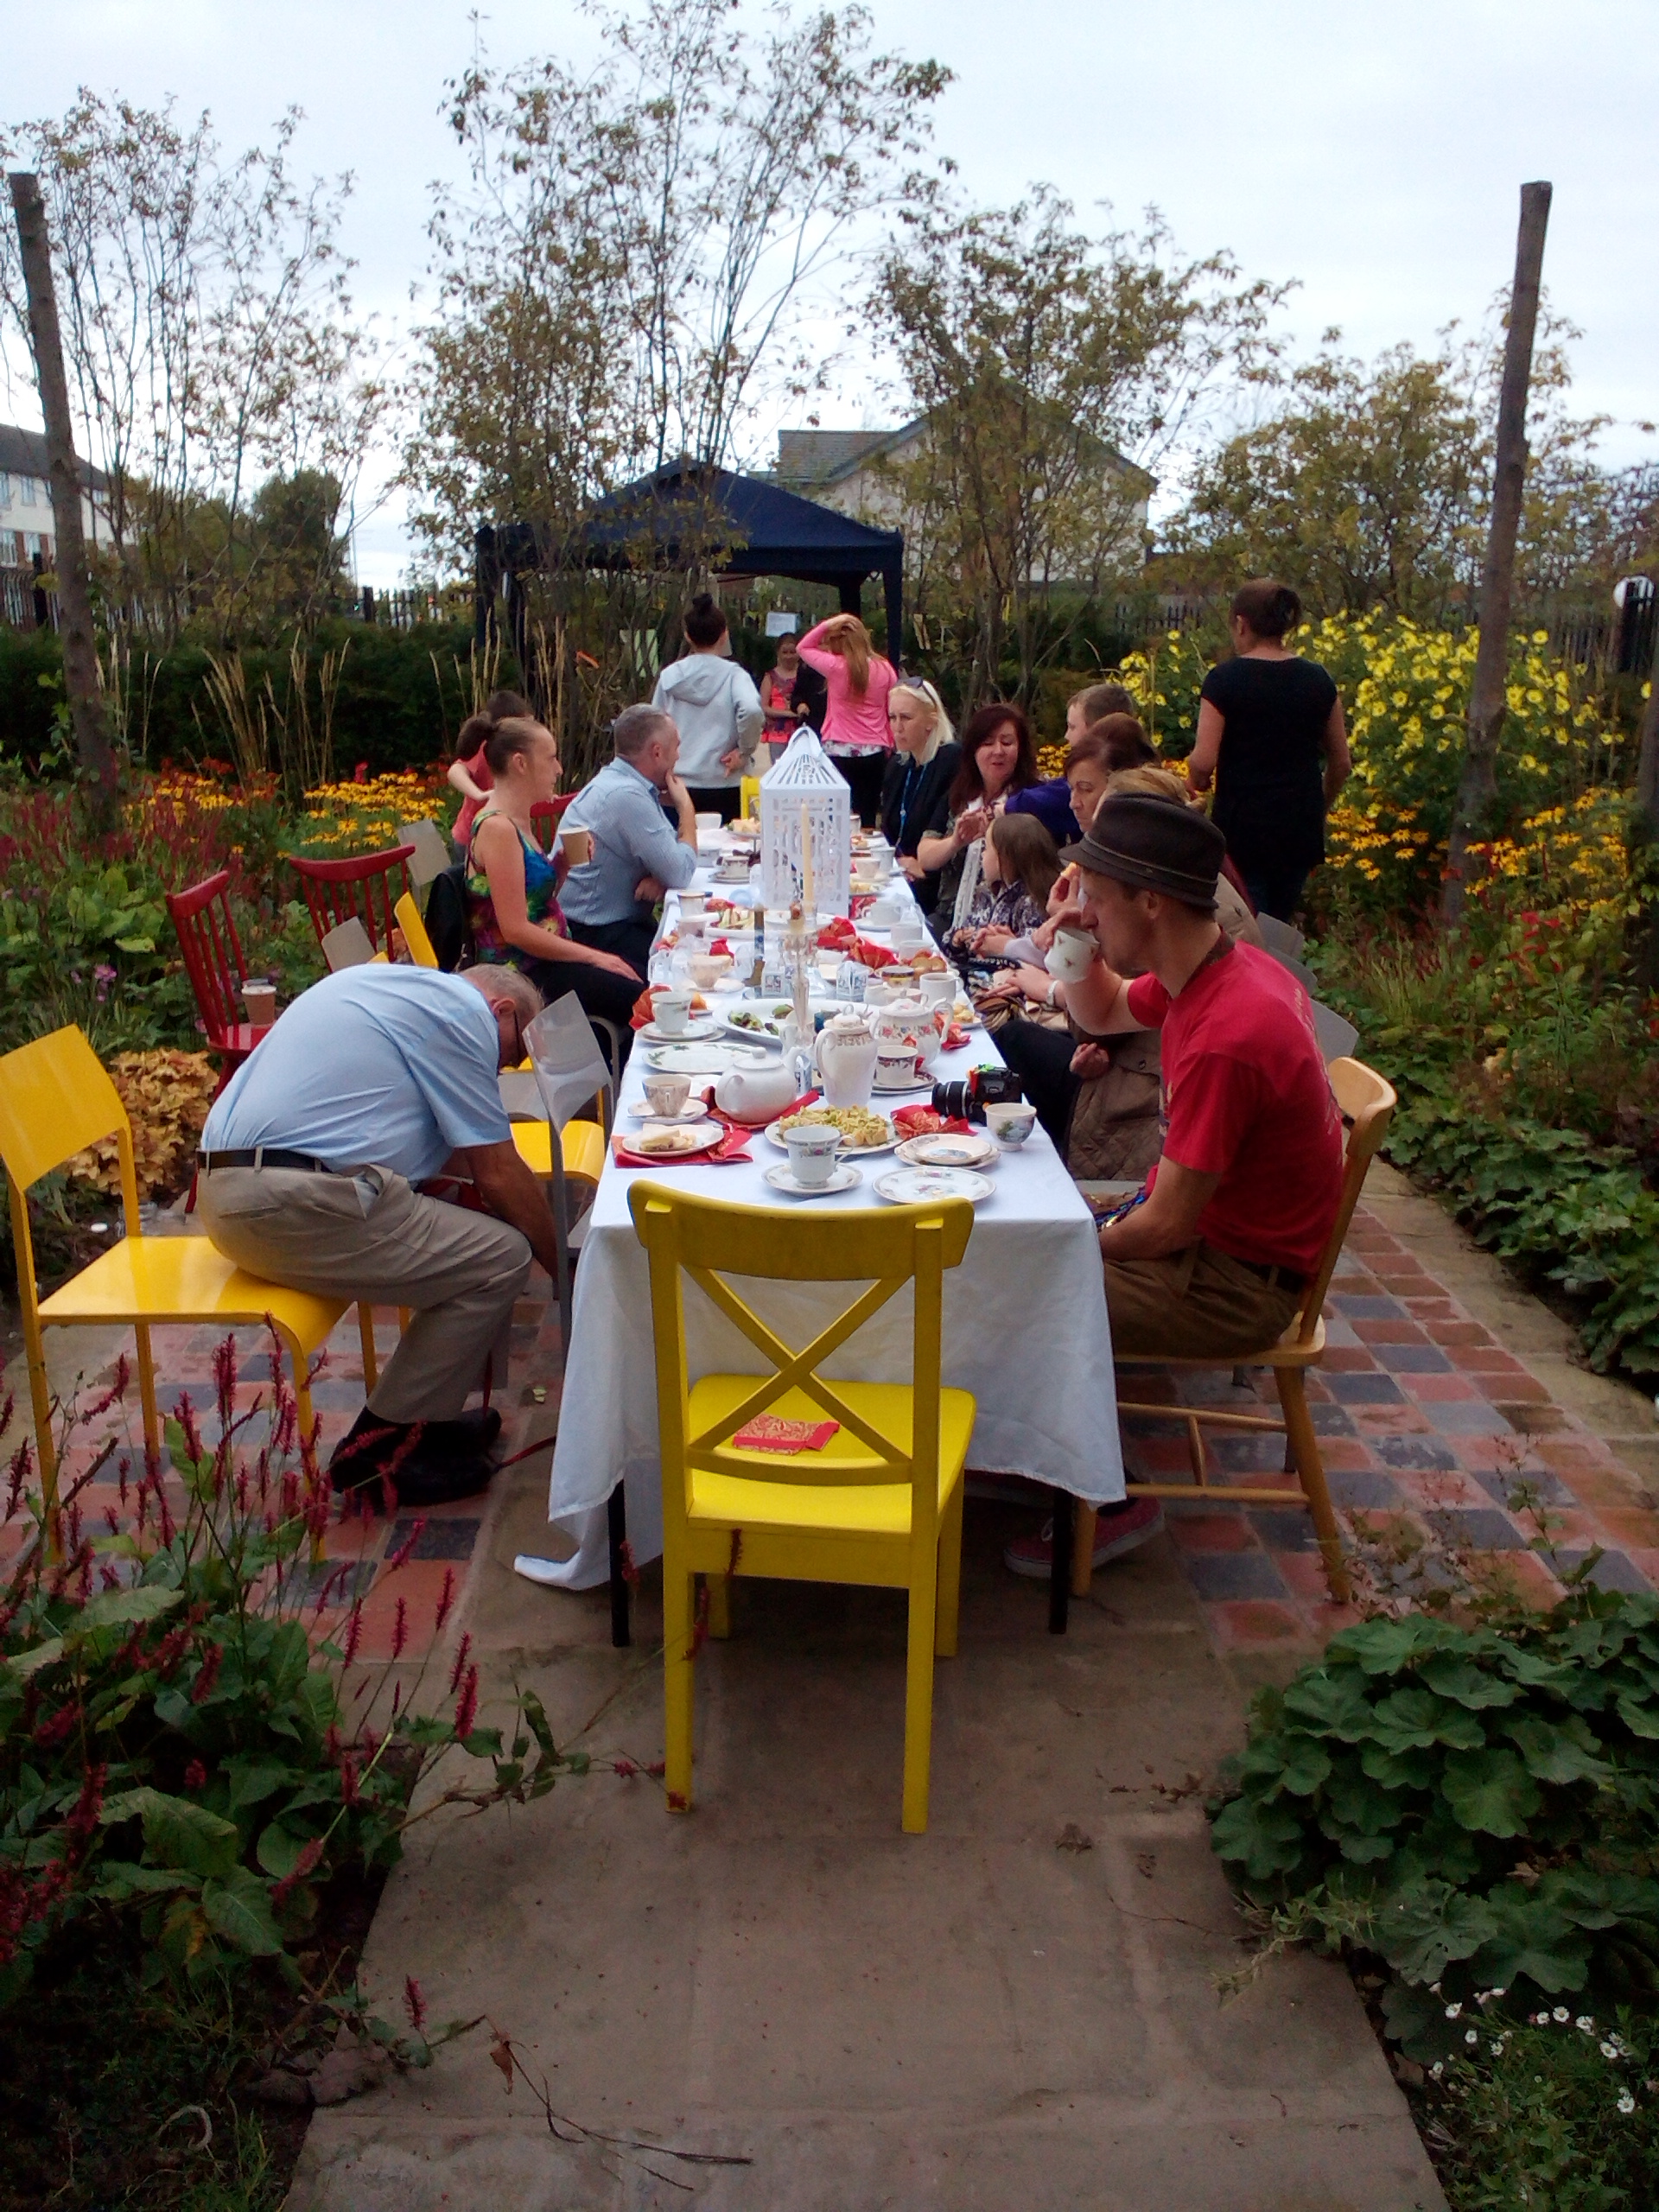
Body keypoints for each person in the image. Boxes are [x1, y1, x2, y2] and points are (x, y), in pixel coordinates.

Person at [1002, 787, 1344, 1580]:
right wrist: (1079, 941)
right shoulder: (1219, 970)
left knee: (1019, 1282)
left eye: (1096, 892)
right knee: (1011, 1223)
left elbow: (1164, 1228)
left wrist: (1071, 1246)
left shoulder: (1229, 1033)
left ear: (1149, 900)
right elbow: (1112, 1006)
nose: (1082, 901)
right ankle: (1028, 1443)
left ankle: (1110, 1500)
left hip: (1234, 1283)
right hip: (1219, 1243)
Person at [195, 961, 557, 1508]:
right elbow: (497, 1170)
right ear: (502, 1011)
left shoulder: (391, 988)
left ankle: (423, 1425)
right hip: (281, 1202)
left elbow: (458, 1155)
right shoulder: (465, 1015)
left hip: (237, 1190)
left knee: (477, 1241)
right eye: (513, 1054)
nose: (505, 1068)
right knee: (501, 1258)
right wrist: (570, 1273)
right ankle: (377, 1452)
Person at [464, 717, 645, 1051]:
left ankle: (612, 1079)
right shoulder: (498, 829)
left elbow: (535, 904)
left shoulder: (519, 820)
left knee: (642, 977)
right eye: (550, 758)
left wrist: (561, 865)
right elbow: (516, 929)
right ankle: (616, 1087)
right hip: (523, 972)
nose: (559, 769)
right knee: (641, 1000)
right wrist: (593, 957)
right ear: (521, 763)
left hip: (547, 958)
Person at [1185, 579, 1350, 922]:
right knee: (1280, 919)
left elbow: (1203, 761)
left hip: (1244, 828)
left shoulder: (1225, 680)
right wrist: (1320, 805)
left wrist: (1194, 780)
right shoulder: (1318, 680)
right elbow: (1341, 763)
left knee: (1247, 922)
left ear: (1242, 624)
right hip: (1299, 825)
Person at [558, 704, 699, 977]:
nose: (679, 757)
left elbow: (672, 860)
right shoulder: (626, 796)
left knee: (691, 952)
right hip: (595, 933)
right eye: (676, 748)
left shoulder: (624, 783)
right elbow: (681, 871)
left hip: (606, 923)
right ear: (657, 752)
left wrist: (660, 875)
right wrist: (686, 809)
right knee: (684, 971)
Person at [917, 702, 1040, 935]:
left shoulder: (1030, 799)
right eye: (987, 743)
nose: (998, 751)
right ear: (973, 750)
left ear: (1020, 749)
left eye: (1007, 742)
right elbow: (924, 857)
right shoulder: (960, 794)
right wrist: (956, 841)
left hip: (1002, 926)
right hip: (949, 915)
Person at [651, 593, 764, 821]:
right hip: (724, 781)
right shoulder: (734, 676)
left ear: (687, 636)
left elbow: (653, 724)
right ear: (724, 635)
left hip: (678, 784)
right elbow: (752, 709)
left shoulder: (670, 677)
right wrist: (744, 751)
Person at [795, 613, 899, 827]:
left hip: (838, 750)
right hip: (874, 750)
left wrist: (826, 624)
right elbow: (893, 706)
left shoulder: (836, 667)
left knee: (835, 815)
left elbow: (803, 648)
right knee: (868, 814)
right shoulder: (885, 668)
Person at [878, 680, 959, 919]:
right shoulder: (898, 765)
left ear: (931, 721)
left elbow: (944, 825)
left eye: (906, 718)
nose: (897, 727)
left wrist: (920, 866)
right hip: (897, 875)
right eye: (892, 718)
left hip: (931, 885)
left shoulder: (950, 760)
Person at [956, 811, 1061, 954]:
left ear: (1005, 858)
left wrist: (1000, 946)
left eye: (986, 848)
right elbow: (965, 928)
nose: (983, 854)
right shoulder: (987, 892)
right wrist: (959, 938)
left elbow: (1032, 956)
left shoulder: (1031, 904)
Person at [445, 688, 534, 849]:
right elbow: (455, 772)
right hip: (471, 837)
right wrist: (480, 795)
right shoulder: (487, 748)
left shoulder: (520, 751)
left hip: (501, 832)